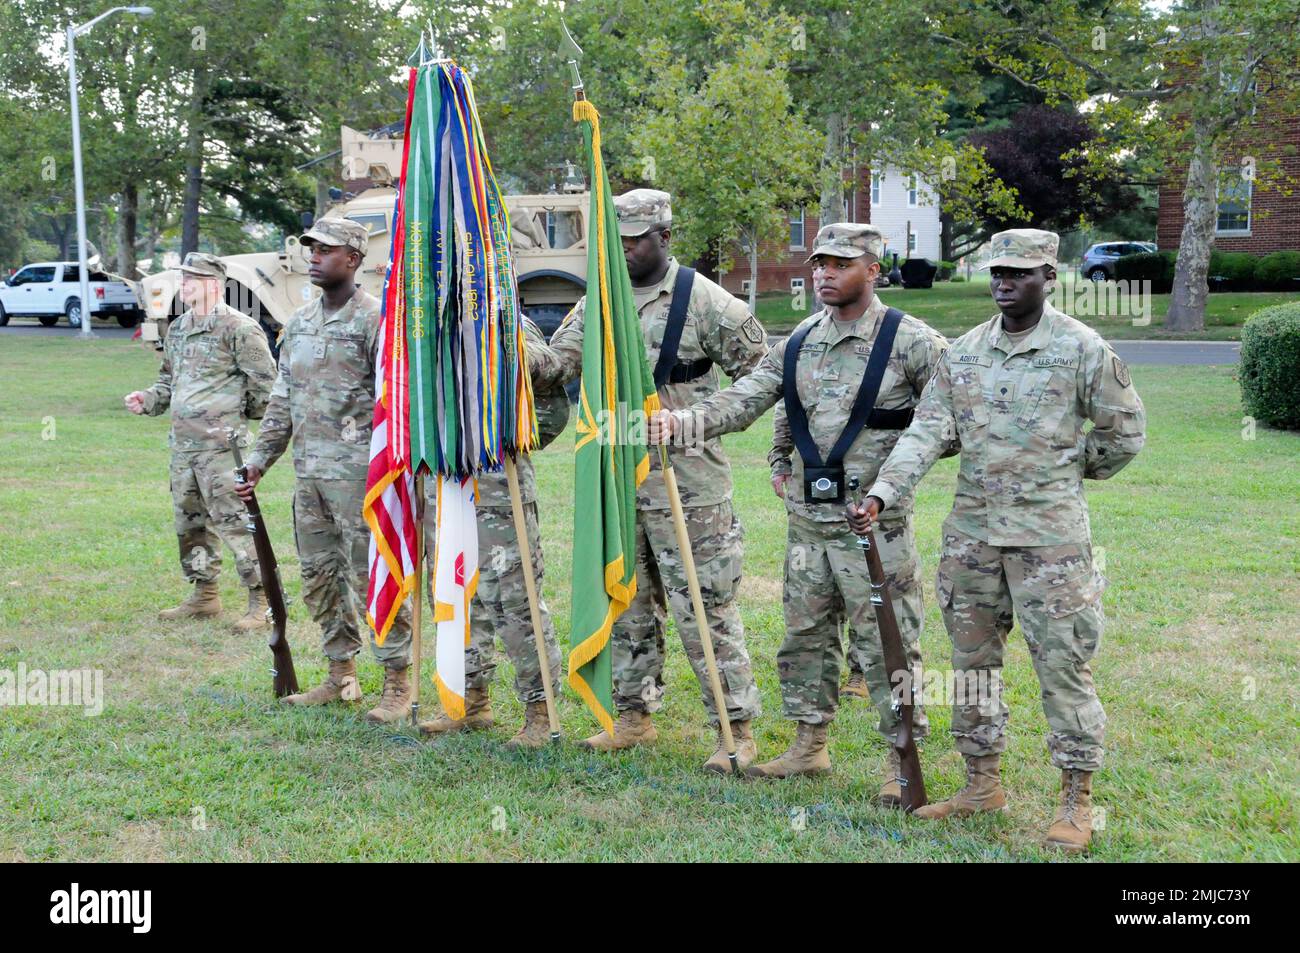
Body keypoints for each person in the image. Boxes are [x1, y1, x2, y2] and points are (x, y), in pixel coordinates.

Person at [849, 228, 1146, 851]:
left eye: (1020, 273)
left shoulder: (1080, 348)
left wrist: (1063, 469)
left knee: (1062, 668)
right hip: (973, 540)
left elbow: (1124, 433)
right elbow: (926, 433)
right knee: (972, 668)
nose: (1005, 282)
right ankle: (981, 783)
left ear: (1050, 277)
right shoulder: (964, 352)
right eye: (998, 272)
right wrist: (883, 493)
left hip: (1051, 544)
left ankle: (1076, 800)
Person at [650, 223, 946, 798]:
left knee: (888, 641)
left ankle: (900, 758)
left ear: (873, 270)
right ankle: (809, 745)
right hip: (809, 523)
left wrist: (893, 480)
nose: (825, 274)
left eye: (841, 264)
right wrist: (687, 423)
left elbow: (948, 420)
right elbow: (752, 397)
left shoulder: (913, 341)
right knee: (805, 636)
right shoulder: (802, 339)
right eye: (819, 263)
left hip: (874, 527)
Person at [534, 188, 768, 773]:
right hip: (617, 480)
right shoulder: (599, 303)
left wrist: (698, 421)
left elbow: (764, 380)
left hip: (687, 485)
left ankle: (734, 726)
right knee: (628, 603)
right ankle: (633, 716)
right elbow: (559, 365)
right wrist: (509, 343)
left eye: (636, 240)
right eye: (616, 240)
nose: (625, 250)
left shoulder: (709, 303)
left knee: (704, 609)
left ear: (666, 237)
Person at [237, 217, 413, 723]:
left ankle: (397, 681)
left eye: (326, 250)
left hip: (364, 479)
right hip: (309, 477)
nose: (313, 256)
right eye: (311, 248)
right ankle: (340, 675)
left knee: (370, 576)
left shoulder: (378, 321)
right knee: (320, 577)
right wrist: (257, 463)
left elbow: (396, 405)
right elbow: (282, 400)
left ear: (353, 259)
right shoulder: (298, 322)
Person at [416, 318, 569, 748]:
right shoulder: (422, 323)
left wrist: (504, 353)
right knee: (456, 593)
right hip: (444, 483)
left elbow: (553, 388)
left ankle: (540, 712)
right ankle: (470, 700)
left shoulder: (505, 320)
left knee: (515, 601)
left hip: (500, 485)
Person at [125, 252, 277, 631]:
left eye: (191, 278)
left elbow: (267, 386)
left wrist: (232, 419)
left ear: (212, 284)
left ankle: (261, 600)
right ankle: (204, 594)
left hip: (223, 450)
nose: (184, 284)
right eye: (183, 277)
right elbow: (168, 380)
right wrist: (149, 399)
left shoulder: (240, 328)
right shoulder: (177, 329)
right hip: (184, 448)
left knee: (237, 523)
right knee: (190, 522)